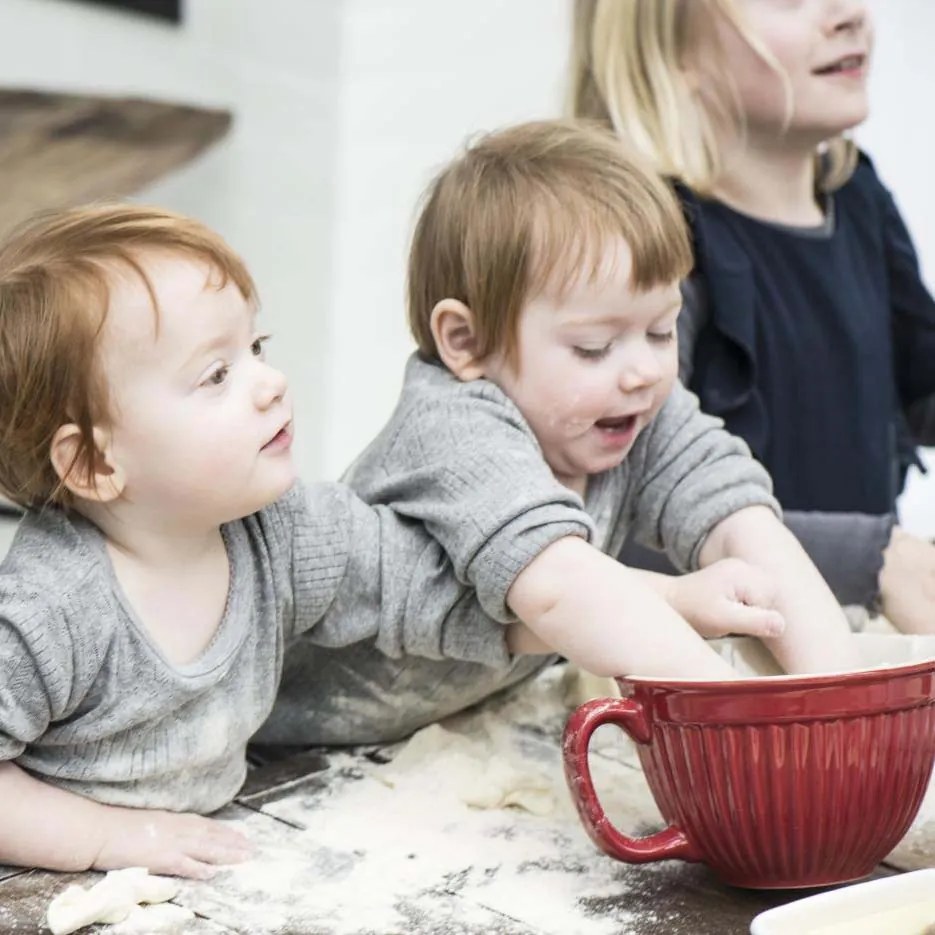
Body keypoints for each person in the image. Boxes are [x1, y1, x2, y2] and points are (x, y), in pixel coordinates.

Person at [263, 118, 859, 754]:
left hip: (440, 727)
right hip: (290, 738)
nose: (644, 371)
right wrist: (738, 726)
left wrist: (845, 707)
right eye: (594, 346)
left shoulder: (633, 404)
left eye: (662, 331)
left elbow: (746, 526)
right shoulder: (453, 428)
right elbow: (561, 590)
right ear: (467, 342)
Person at [0, 203, 548, 879]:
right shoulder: (47, 608)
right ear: (94, 464)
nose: (272, 382)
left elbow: (429, 590)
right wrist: (103, 836)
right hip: (42, 883)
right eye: (216, 375)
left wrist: (589, 613)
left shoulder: (278, 530)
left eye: (254, 348)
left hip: (197, 864)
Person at [568, 0, 935, 632]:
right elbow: (612, 525)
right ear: (669, 48)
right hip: (715, 672)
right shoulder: (647, 241)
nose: (850, 13)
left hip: (851, 649)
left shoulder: (858, 196)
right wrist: (873, 559)